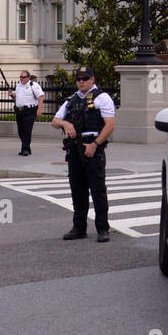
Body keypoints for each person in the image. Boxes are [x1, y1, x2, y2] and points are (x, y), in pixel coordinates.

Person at [52, 67, 116, 242]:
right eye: (79, 79)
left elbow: (109, 125)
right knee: (77, 190)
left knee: (97, 190)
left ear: (92, 79)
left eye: (85, 78)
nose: (81, 81)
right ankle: (79, 228)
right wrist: (65, 124)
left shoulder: (102, 98)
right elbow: (55, 121)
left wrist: (95, 145)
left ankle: (103, 228)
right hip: (75, 150)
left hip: (93, 148)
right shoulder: (72, 100)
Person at [13, 70, 45, 156]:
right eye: (21, 77)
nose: (22, 79)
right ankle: (27, 147)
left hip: (30, 111)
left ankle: (25, 149)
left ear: (28, 78)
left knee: (27, 130)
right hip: (19, 111)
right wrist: (12, 95)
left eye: (24, 77)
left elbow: (41, 96)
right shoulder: (18, 86)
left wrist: (39, 109)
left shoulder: (34, 85)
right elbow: (17, 97)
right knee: (21, 131)